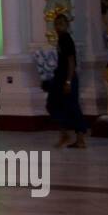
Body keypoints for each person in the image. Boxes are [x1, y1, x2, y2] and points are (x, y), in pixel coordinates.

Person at [48, 14, 86, 148]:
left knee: (72, 106)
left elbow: (71, 61)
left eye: (61, 24)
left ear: (67, 25)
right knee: (55, 104)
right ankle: (64, 134)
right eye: (56, 24)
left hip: (67, 78)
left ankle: (79, 138)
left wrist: (68, 81)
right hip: (60, 77)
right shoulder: (61, 39)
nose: (58, 27)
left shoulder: (66, 39)